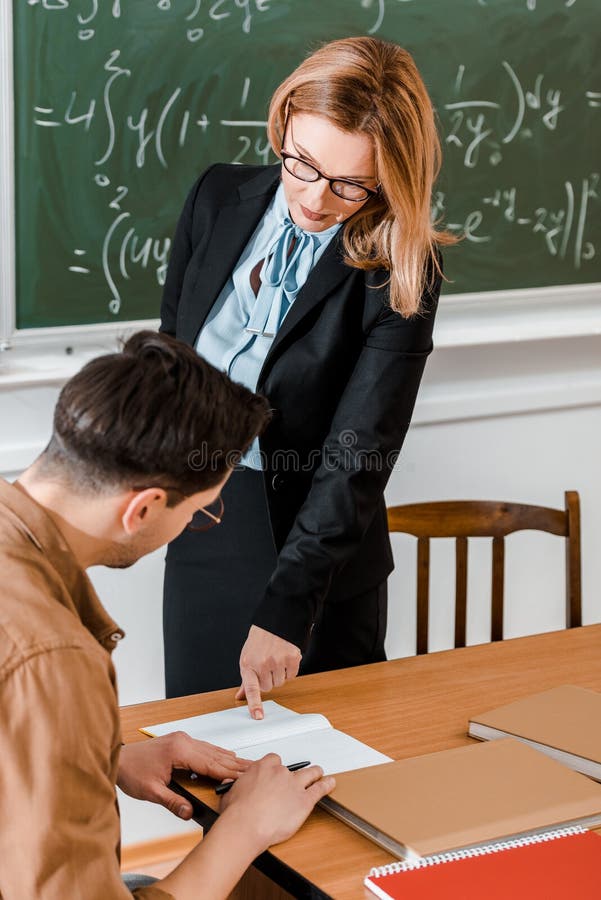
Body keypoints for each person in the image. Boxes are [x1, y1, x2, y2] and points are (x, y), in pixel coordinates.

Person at [161, 36, 454, 715]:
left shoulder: (402, 269)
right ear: (284, 121)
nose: (316, 200)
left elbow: (358, 454)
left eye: (352, 183)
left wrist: (288, 608)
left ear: (391, 175)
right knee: (203, 769)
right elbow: (170, 357)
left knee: (320, 785)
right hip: (201, 526)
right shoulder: (216, 196)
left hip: (313, 560)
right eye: (302, 164)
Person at [0, 331, 335, 900]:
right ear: (146, 508)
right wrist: (242, 829)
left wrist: (109, 757)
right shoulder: (53, 659)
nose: (198, 524)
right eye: (202, 512)